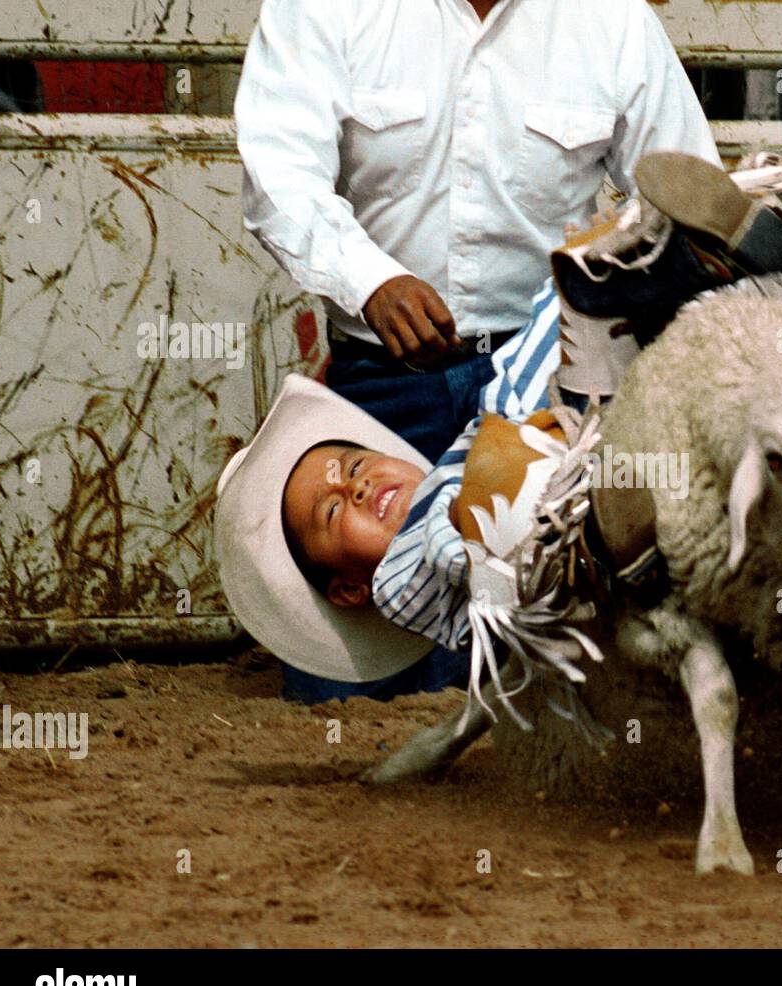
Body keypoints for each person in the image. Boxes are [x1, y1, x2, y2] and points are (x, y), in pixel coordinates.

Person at [234, 0, 721, 702]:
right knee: (353, 695)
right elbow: (279, 176)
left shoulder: (610, 21)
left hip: (554, 394)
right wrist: (372, 282)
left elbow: (686, 191)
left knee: (572, 675)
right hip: (386, 391)